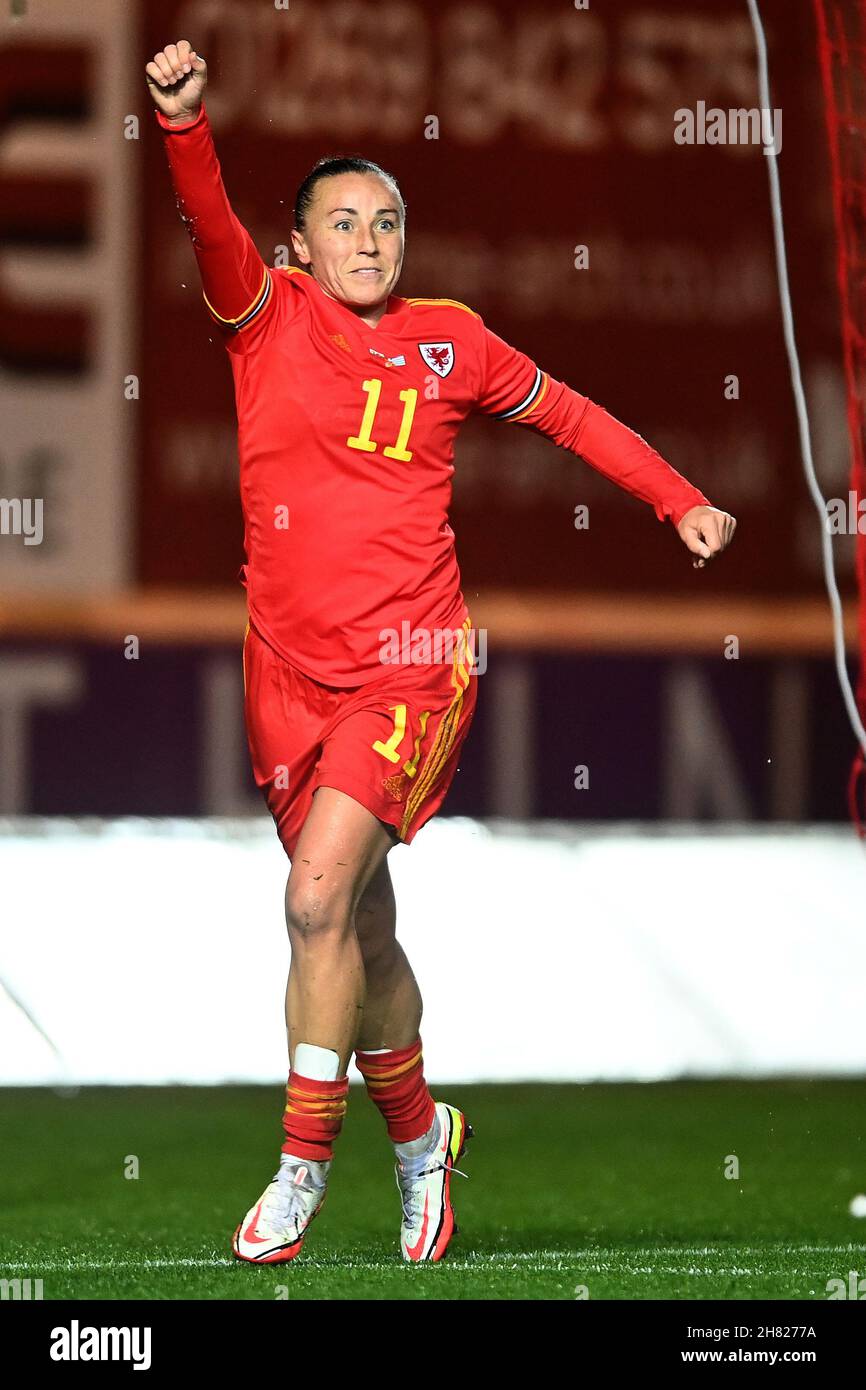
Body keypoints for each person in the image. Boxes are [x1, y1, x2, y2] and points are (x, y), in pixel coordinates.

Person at [146, 39, 737, 1266]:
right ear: (299, 245)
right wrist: (185, 125)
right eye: (343, 224)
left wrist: (675, 496)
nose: (369, 242)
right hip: (285, 675)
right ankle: (424, 1144)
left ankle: (301, 1167)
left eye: (388, 222)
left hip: (409, 666)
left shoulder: (448, 340)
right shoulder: (264, 316)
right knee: (357, 932)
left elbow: (567, 411)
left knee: (312, 897)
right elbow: (205, 220)